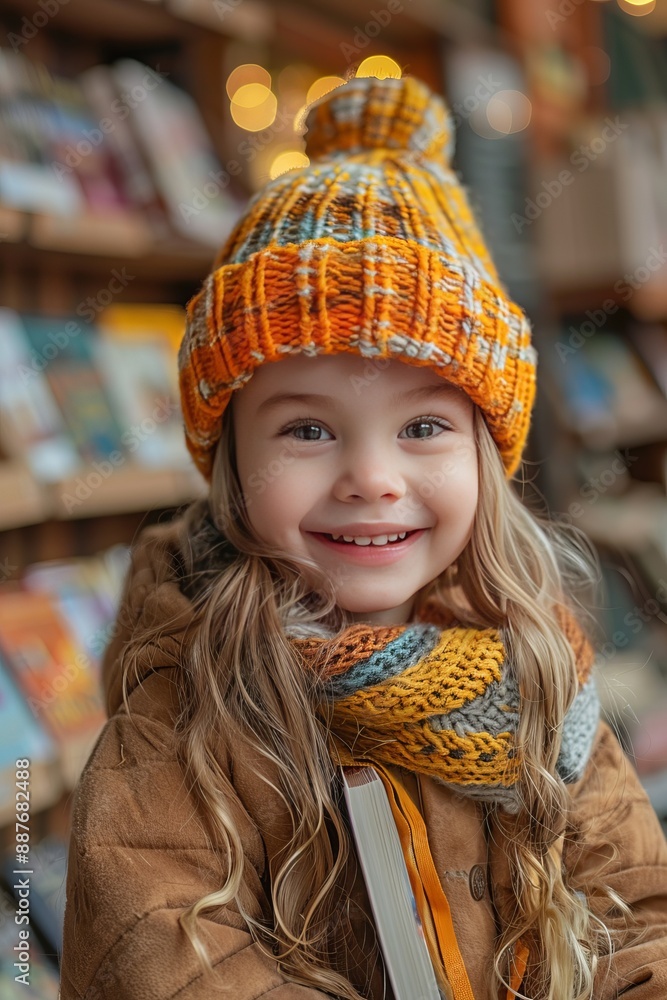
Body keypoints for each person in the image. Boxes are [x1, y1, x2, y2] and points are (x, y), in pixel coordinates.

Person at [59, 72, 667, 1000]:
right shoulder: (184, 704)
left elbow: (636, 908)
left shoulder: (537, 667)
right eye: (306, 430)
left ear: (485, 455)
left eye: (422, 428)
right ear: (230, 461)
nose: (371, 478)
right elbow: (157, 951)